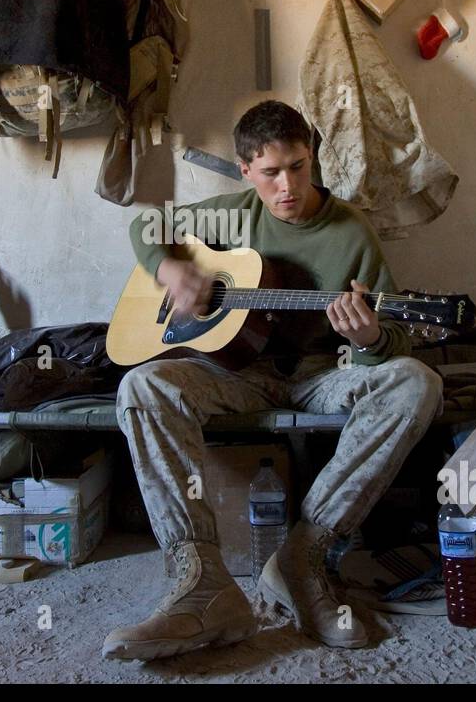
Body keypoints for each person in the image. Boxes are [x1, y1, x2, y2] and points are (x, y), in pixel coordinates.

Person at [103, 100, 443, 661]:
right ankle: (201, 582)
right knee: (143, 385)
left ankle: (301, 558)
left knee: (415, 382)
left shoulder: (352, 231)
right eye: (270, 173)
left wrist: (369, 340)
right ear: (245, 171)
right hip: (238, 372)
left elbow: (395, 345)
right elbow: (147, 224)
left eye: (299, 167)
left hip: (321, 374)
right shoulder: (231, 217)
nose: (288, 186)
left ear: (311, 159)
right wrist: (172, 269)